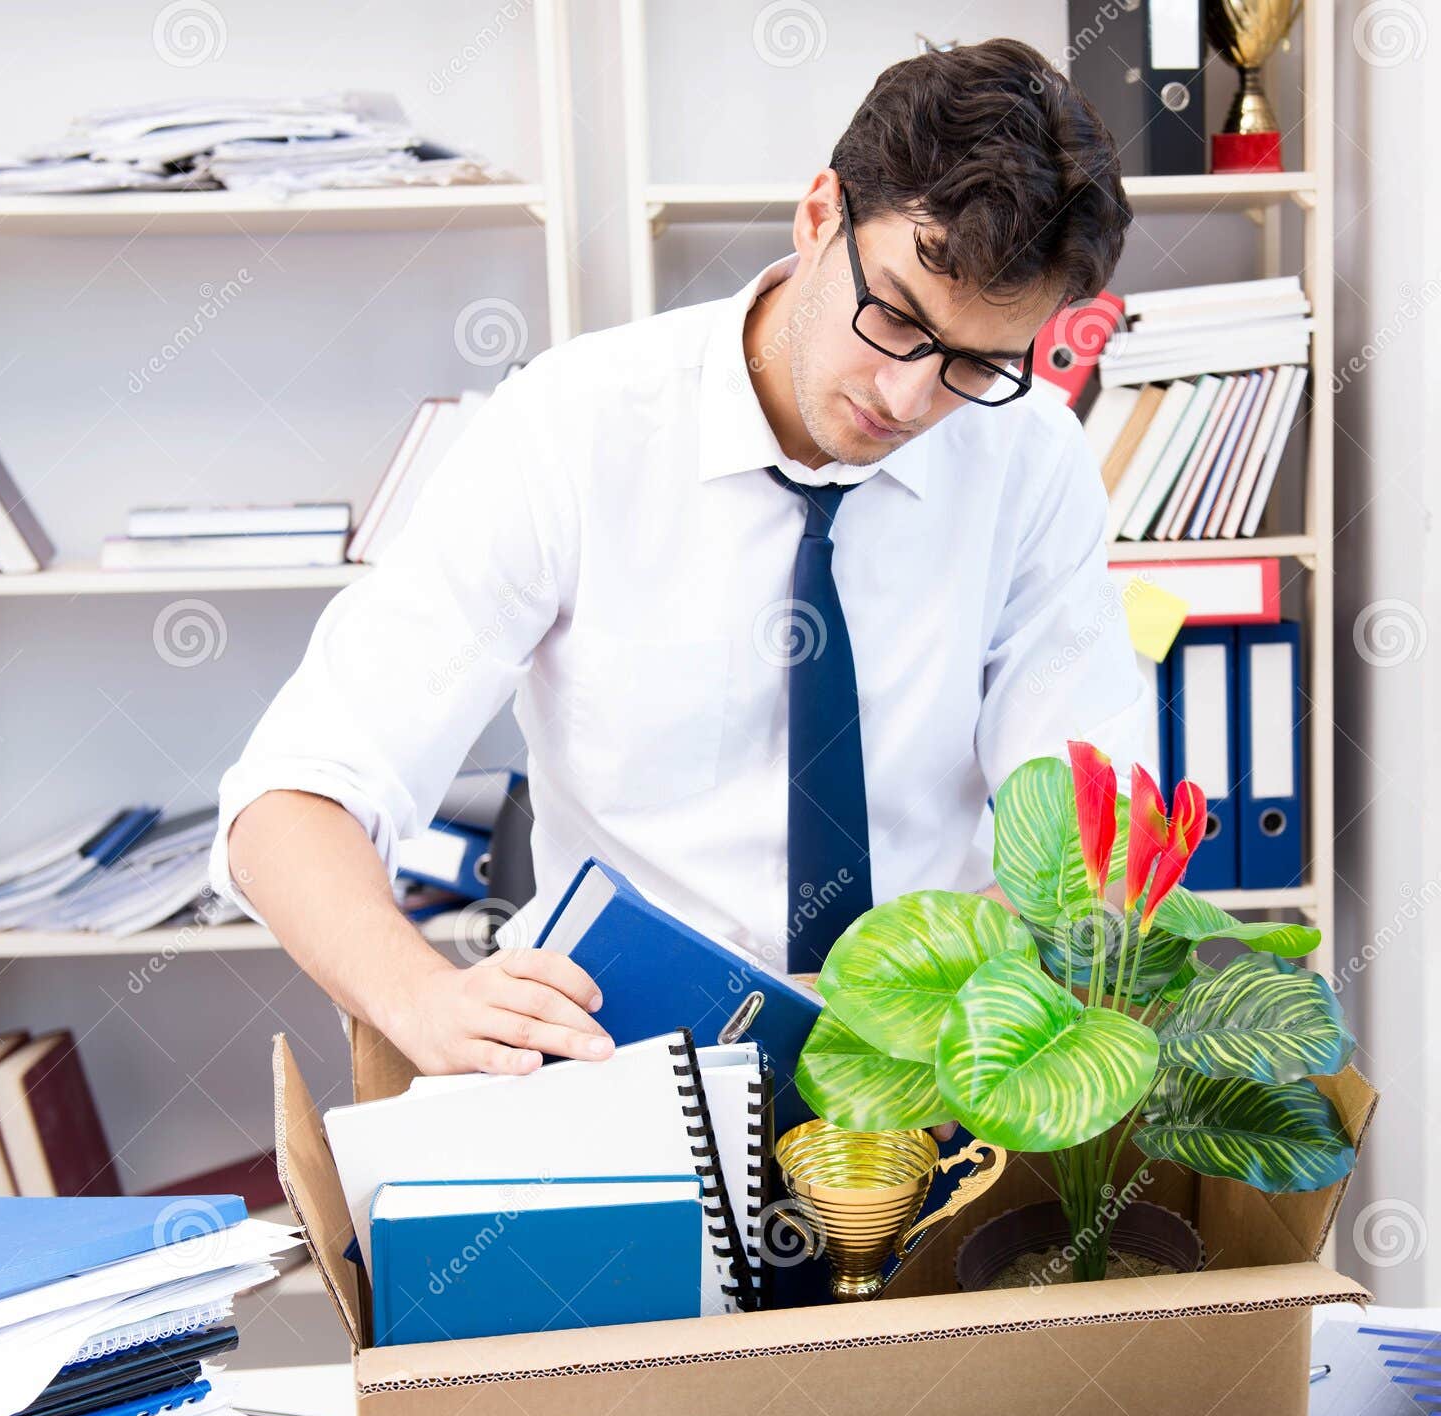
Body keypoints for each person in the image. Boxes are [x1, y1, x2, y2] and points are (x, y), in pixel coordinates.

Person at [211, 38, 1154, 1085]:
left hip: (920, 1070)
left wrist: (960, 978)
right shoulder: (571, 425)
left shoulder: (1028, 457)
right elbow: (291, 799)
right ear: (817, 216)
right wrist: (422, 997)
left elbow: (1096, 828)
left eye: (976, 363)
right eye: (892, 317)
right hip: (615, 1067)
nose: (906, 401)